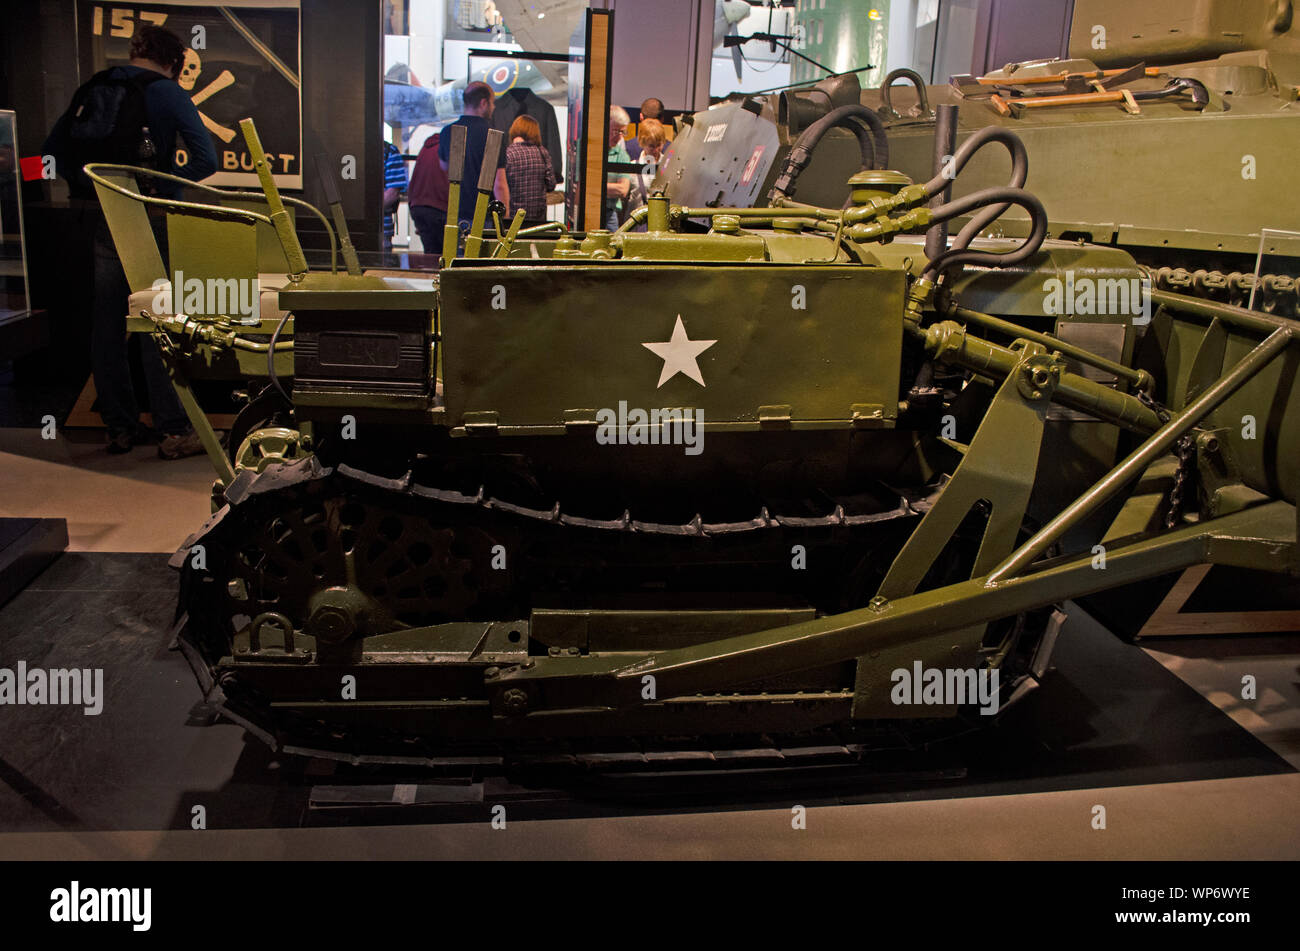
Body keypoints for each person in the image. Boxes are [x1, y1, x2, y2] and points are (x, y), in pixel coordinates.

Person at [44, 24, 217, 458]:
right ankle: (171, 431)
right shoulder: (167, 92)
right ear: (174, 62)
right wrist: (162, 187)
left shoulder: (96, 85)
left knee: (107, 323)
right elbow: (206, 159)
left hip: (104, 217)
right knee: (155, 321)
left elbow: (51, 152)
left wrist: (95, 190)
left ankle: (119, 428)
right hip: (152, 220)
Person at [438, 81, 509, 231]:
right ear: (484, 103)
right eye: (492, 103)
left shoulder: (447, 132)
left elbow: (443, 167)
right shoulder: (493, 136)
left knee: (456, 254)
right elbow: (499, 183)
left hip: (455, 215)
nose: (494, 107)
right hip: (484, 217)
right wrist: (505, 218)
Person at [503, 115, 555, 226]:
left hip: (513, 219)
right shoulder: (542, 152)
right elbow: (551, 185)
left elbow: (501, 185)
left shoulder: (507, 153)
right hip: (538, 219)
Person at [408, 130, 449, 254]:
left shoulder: (426, 149)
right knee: (446, 255)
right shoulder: (447, 149)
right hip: (439, 207)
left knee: (430, 253)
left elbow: (413, 182)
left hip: (418, 207)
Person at [628, 118, 667, 224]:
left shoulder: (669, 165)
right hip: (637, 226)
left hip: (662, 224)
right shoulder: (632, 168)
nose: (656, 150)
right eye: (651, 146)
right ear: (642, 143)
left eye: (659, 145)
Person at [604, 105, 633, 231]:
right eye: (616, 131)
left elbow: (623, 190)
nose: (620, 137)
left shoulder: (622, 155)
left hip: (610, 214)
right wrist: (611, 187)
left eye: (623, 132)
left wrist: (597, 187)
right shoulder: (589, 149)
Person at [381, 140, 407, 249]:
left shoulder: (388, 150)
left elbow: (392, 194)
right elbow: (392, 193)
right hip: (381, 225)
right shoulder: (389, 150)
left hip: (381, 229)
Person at [626, 97, 667, 161]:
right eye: (651, 146)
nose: (655, 151)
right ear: (662, 119)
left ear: (641, 117)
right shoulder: (671, 151)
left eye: (658, 145)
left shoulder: (627, 148)